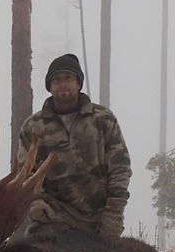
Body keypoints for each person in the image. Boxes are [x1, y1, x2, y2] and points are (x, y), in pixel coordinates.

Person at [14, 52, 131, 241]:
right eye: (57, 79)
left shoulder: (103, 119)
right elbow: (25, 177)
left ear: (78, 83)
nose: (63, 84)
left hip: (99, 220)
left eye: (68, 78)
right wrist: (36, 205)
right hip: (52, 221)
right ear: (50, 87)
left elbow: (120, 170)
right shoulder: (33, 128)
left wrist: (113, 217)